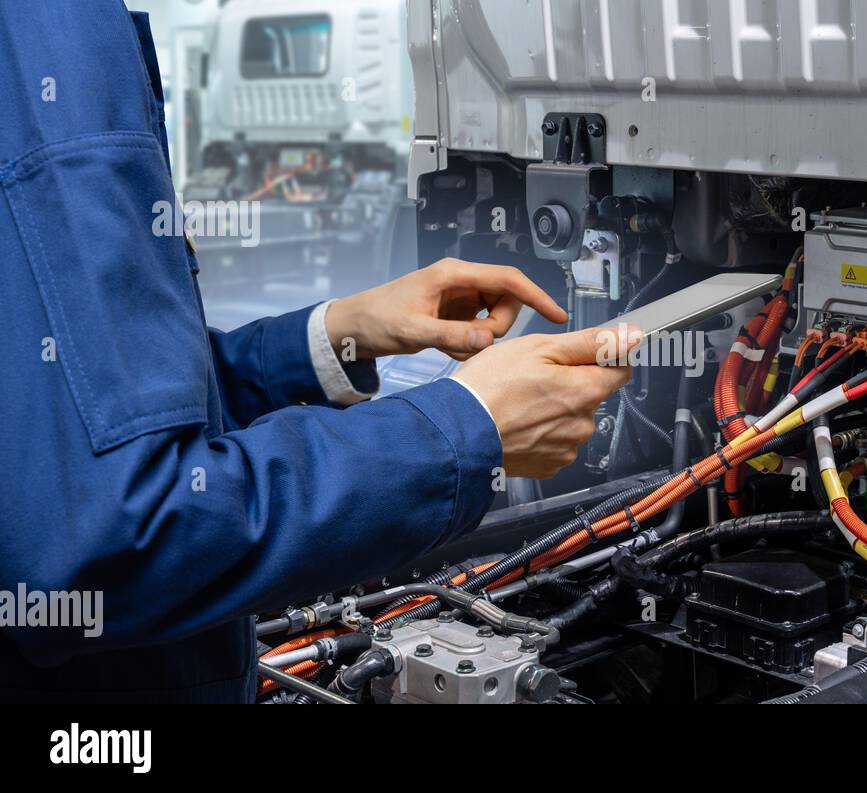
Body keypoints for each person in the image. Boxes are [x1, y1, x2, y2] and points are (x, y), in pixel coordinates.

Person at [0, 1, 636, 702]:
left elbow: (62, 414)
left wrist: (331, 339)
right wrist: (464, 431)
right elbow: (111, 537)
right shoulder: (48, 32)